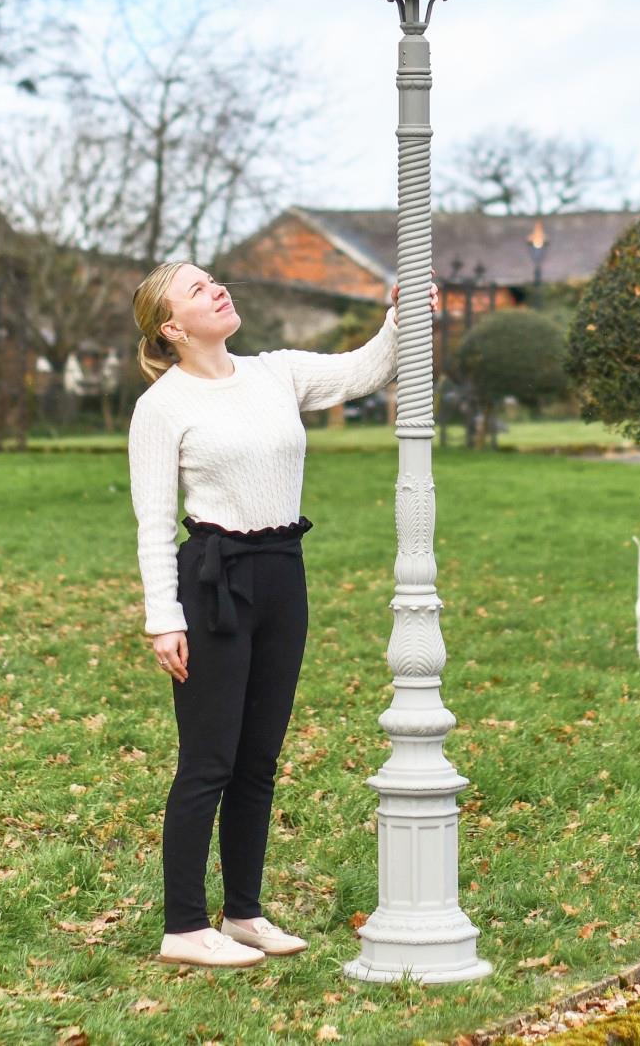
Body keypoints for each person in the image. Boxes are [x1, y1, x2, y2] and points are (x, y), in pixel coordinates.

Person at [128, 260, 437, 968]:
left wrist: (401, 316)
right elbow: (153, 522)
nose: (217, 289)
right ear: (173, 328)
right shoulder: (162, 406)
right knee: (208, 761)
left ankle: (242, 913)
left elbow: (366, 370)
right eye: (198, 289)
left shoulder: (276, 373)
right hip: (213, 586)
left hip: (282, 575)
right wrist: (163, 617)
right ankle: (184, 927)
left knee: (258, 759)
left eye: (213, 279)